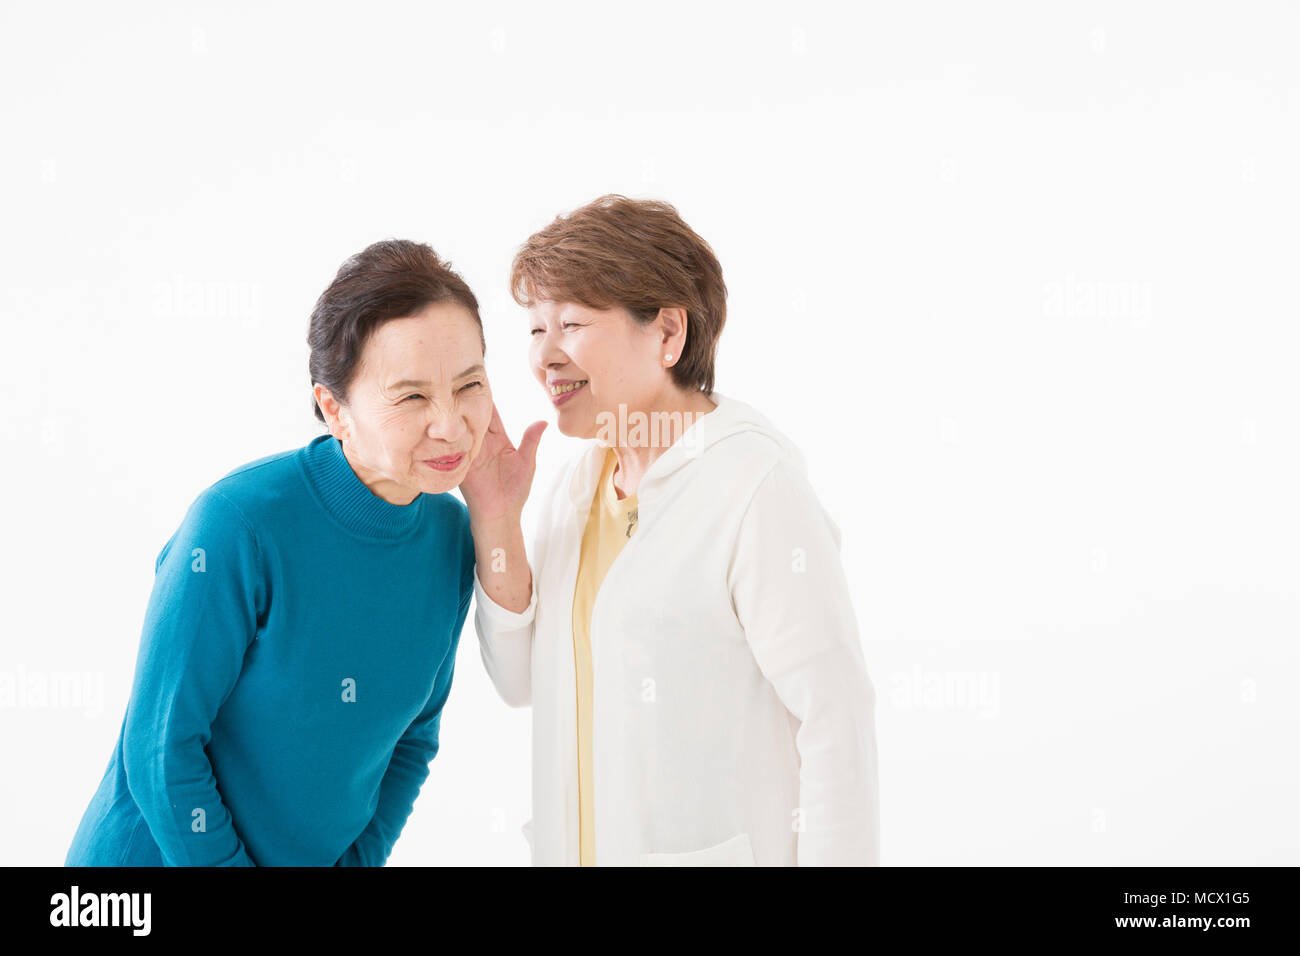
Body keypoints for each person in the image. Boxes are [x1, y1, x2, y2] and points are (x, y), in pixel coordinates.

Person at [461, 195, 880, 866]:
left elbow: (836, 722)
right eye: (536, 330)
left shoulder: (755, 487)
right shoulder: (578, 487)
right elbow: (518, 681)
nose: (546, 356)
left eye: (570, 322)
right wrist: (497, 517)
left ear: (667, 335)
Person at [65, 239, 491, 866]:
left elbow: (413, 738)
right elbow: (162, 749)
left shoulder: (453, 537)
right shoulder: (238, 524)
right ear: (334, 409)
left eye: (470, 384)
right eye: (411, 397)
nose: (451, 425)